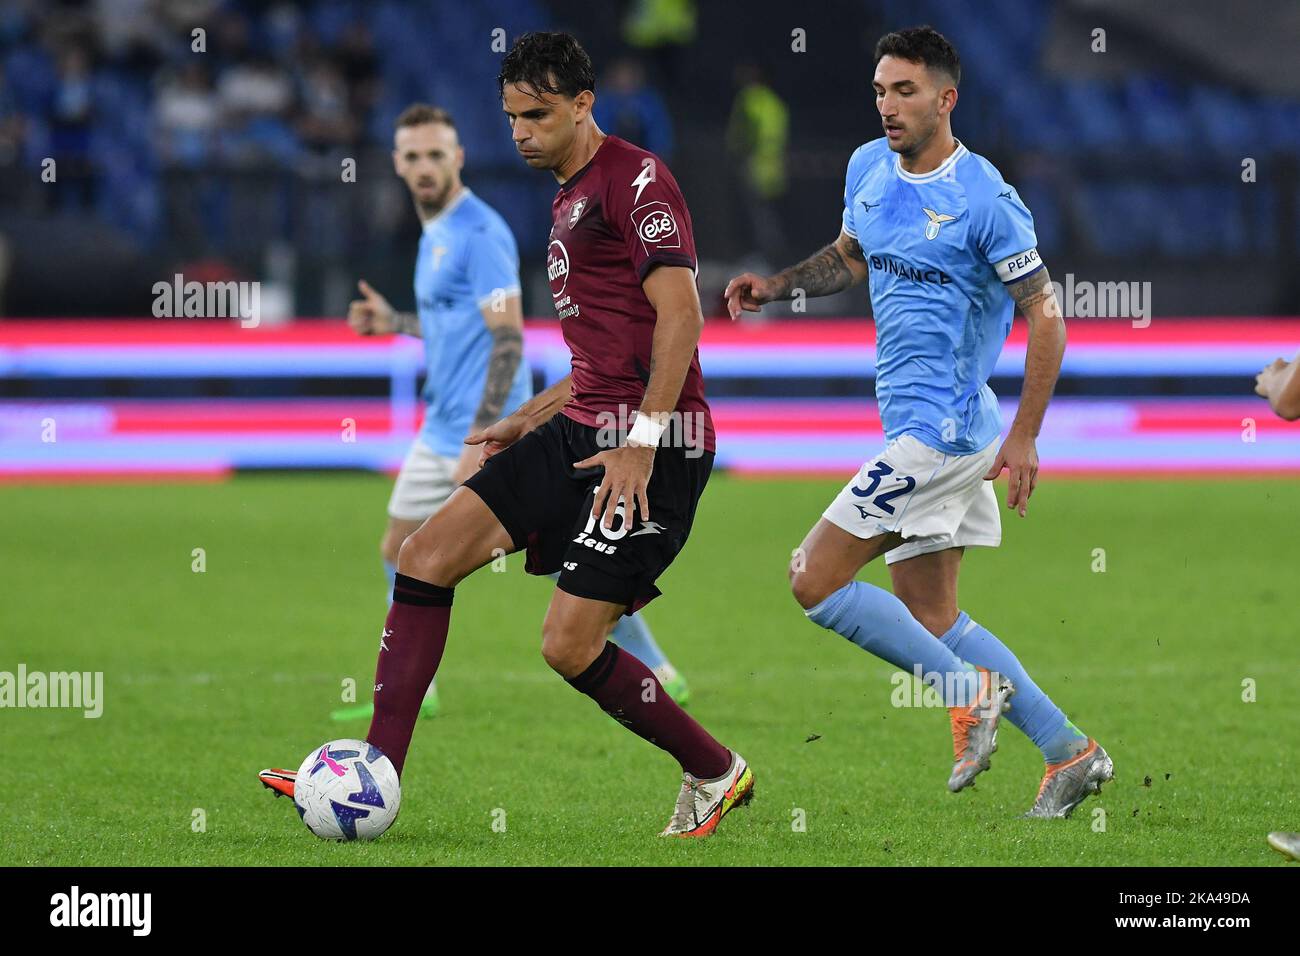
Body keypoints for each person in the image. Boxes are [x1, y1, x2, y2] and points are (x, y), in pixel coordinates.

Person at [264, 33, 751, 838]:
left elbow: (682, 316)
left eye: (539, 114)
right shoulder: (563, 197)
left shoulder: (636, 181)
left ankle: (715, 770)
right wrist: (534, 411)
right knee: (424, 556)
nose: (521, 131)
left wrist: (642, 442)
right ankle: (372, 778)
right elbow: (610, 352)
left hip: (652, 448)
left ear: (584, 103)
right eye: (512, 117)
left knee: (566, 646)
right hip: (578, 427)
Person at [725, 25, 1110, 818]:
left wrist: (1027, 435)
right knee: (932, 613)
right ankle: (1072, 752)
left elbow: (1046, 315)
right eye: (879, 91)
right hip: (914, 427)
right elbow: (849, 256)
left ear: (946, 98)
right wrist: (778, 287)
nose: (888, 106)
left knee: (815, 577)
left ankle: (966, 693)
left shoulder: (987, 200)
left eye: (904, 91)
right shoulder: (869, 167)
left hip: (945, 434)